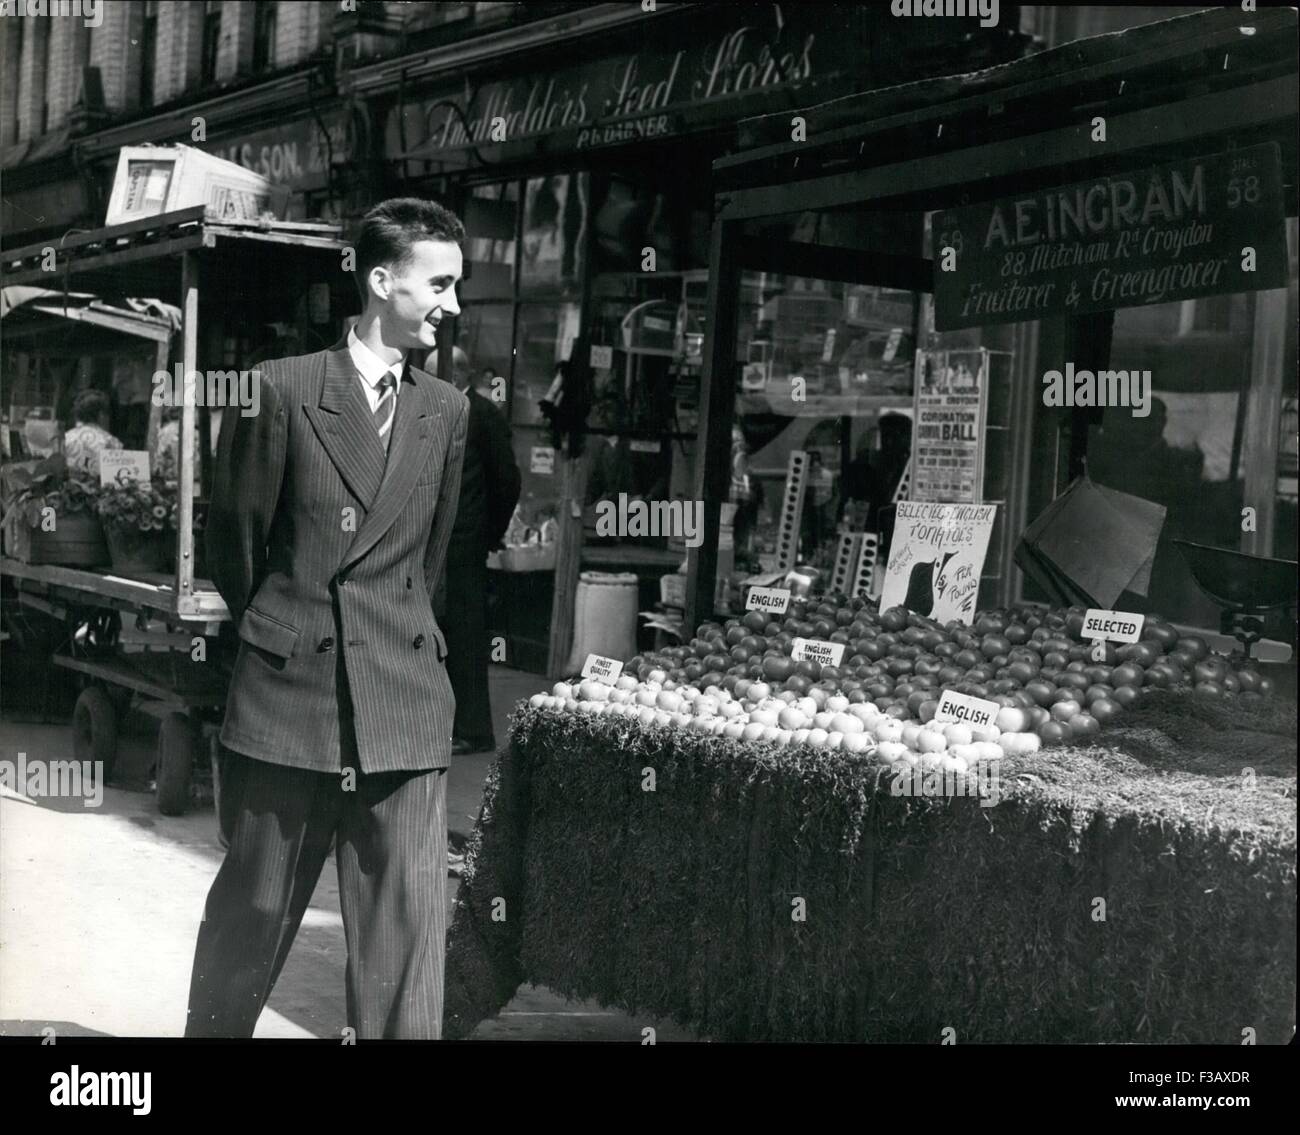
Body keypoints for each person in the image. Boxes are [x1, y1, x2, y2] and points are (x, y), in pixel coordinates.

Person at [187, 198, 470, 1040]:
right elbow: (235, 546)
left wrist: (402, 643)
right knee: (255, 910)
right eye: (441, 283)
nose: (453, 304)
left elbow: (432, 561)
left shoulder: (448, 412)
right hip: (291, 698)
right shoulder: (282, 391)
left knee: (407, 938)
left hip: (404, 705)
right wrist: (284, 628)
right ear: (382, 281)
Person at [433, 346, 521, 754]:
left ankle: (472, 728)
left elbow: (507, 480)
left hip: (465, 543)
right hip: (435, 543)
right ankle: (442, 723)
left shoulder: (483, 415)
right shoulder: (436, 410)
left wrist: (490, 533)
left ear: (455, 375)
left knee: (466, 634)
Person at [63, 389, 123, 480]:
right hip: (98, 492)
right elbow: (116, 479)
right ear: (101, 415)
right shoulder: (111, 441)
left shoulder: (66, 437)